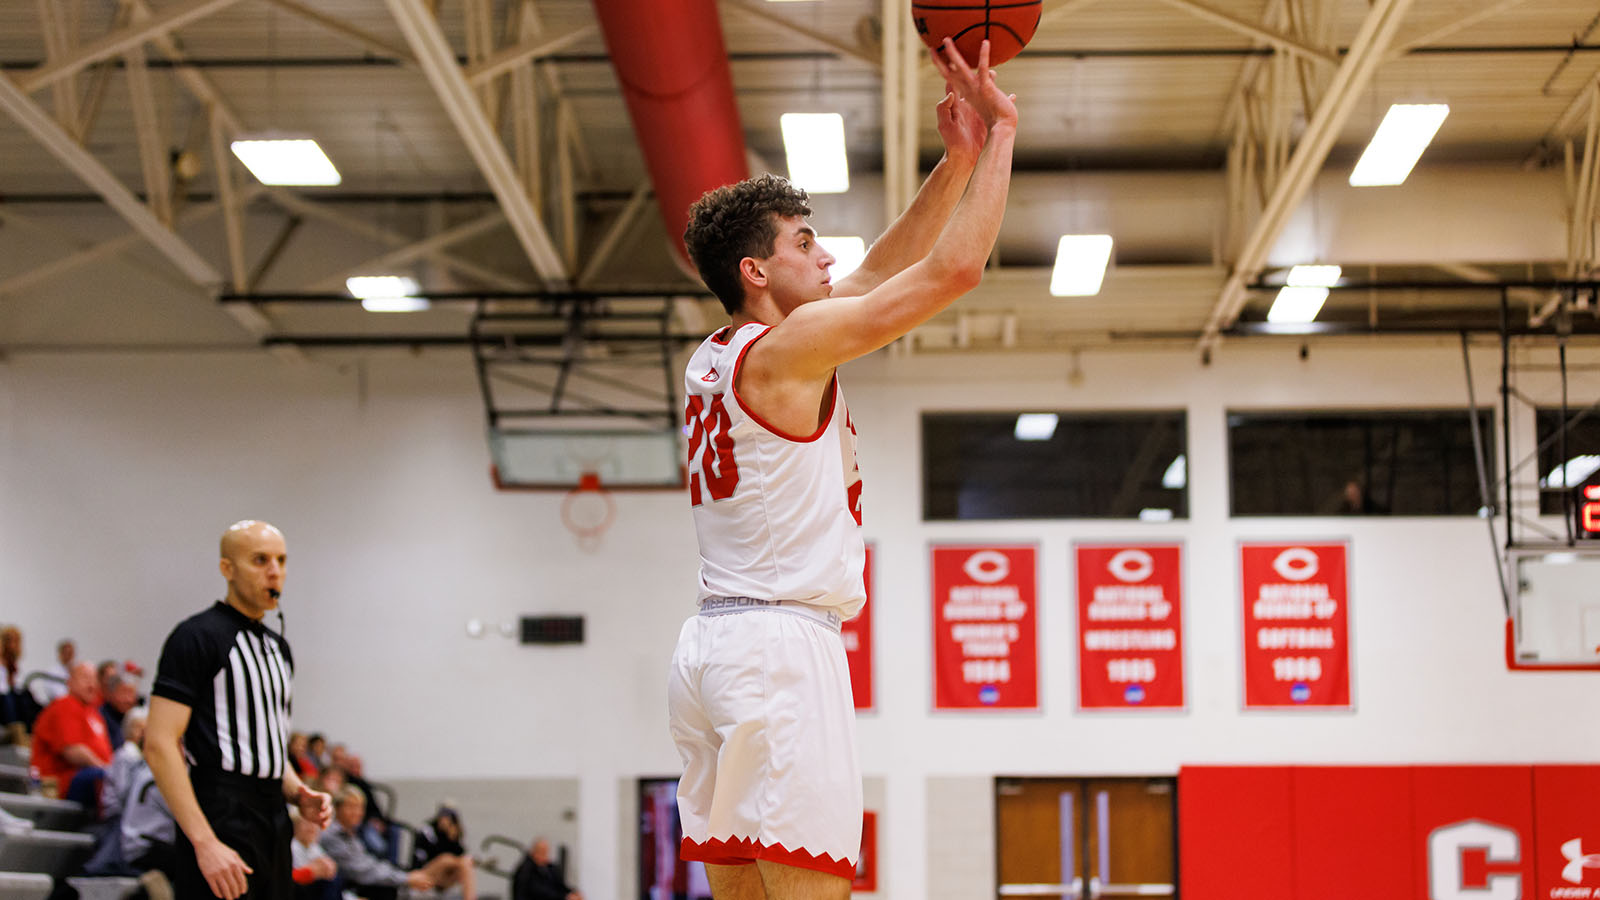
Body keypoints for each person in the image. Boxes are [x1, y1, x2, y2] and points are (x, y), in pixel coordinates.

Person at [667, 38, 1016, 900]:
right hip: (780, 652)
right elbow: (954, 270)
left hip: (712, 645)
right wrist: (1004, 132)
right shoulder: (789, 352)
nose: (828, 260)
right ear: (756, 271)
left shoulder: (720, 354)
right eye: (805, 243)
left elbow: (875, 270)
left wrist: (955, 162)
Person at [144, 520, 332, 900]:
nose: (275, 570)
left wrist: (298, 793)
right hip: (220, 809)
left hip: (274, 816)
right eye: (260, 560)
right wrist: (204, 841)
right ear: (227, 569)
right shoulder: (196, 636)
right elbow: (159, 743)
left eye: (281, 560)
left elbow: (266, 741)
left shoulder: (279, 648)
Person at [319, 788, 476, 900]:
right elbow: (362, 870)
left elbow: (370, 866)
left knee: (459, 865)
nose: (358, 812)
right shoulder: (333, 835)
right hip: (369, 886)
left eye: (360, 807)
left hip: (385, 878)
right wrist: (406, 878)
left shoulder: (352, 833)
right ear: (337, 808)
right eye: (351, 806)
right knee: (451, 862)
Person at [30, 660, 112, 806]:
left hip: (87, 777)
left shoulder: (94, 713)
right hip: (63, 781)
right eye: (85, 678)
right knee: (105, 778)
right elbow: (72, 751)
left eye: (94, 679)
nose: (91, 685)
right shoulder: (65, 705)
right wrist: (107, 770)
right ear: (70, 681)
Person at [289, 808, 339, 900]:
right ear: (295, 826)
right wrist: (311, 872)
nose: (311, 828)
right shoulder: (291, 847)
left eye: (315, 824)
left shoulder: (315, 848)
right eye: (306, 823)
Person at [511, 838, 581, 900]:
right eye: (541, 852)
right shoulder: (525, 871)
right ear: (534, 852)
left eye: (546, 852)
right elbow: (539, 892)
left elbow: (560, 886)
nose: (544, 856)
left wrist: (572, 893)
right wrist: (565, 897)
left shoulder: (550, 868)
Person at [100, 672, 140, 751]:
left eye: (131, 693)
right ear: (110, 693)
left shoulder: (137, 717)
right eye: (124, 692)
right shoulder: (100, 717)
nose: (128, 699)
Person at [32, 637, 75, 706]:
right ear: (60, 653)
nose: (69, 656)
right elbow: (56, 694)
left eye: (71, 653)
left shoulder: (76, 671)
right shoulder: (52, 672)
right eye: (66, 653)